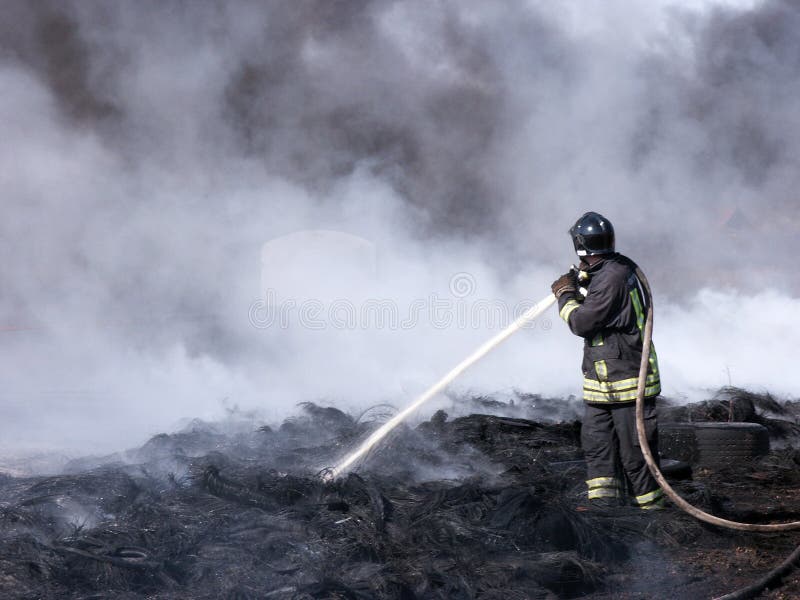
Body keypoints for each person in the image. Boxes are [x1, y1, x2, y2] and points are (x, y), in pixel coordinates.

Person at [551, 212, 664, 510]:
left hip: (626, 381)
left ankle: (653, 516)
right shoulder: (611, 270)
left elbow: (583, 323)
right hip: (602, 383)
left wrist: (565, 295)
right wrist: (581, 281)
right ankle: (606, 513)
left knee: (636, 456)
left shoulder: (612, 278)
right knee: (598, 449)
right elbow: (601, 297)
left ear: (579, 244)